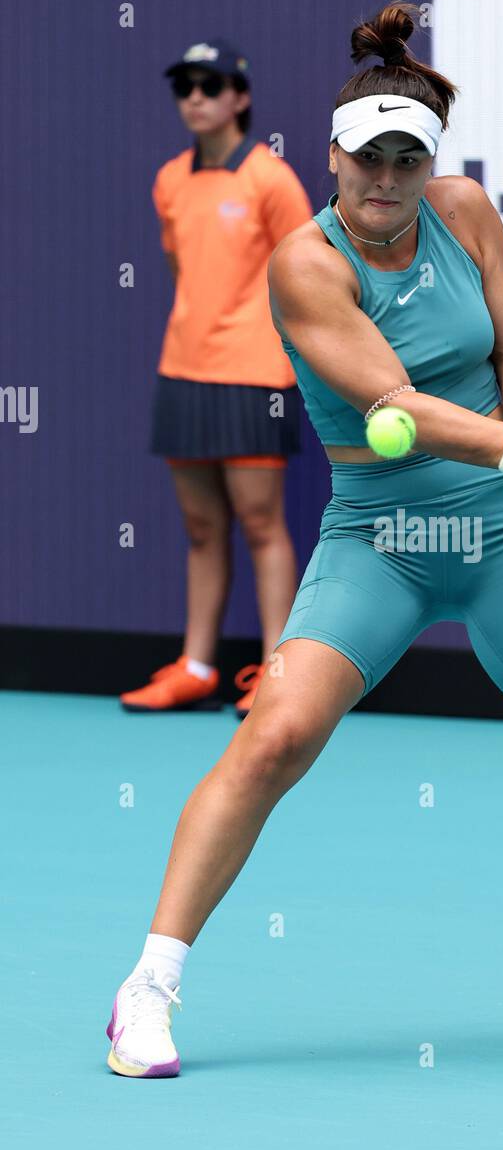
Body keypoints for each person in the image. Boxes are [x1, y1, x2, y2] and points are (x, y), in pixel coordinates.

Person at [105, 2, 503, 1078]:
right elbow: (398, 404)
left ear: (431, 164)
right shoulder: (305, 265)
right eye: (366, 157)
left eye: (405, 160)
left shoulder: (466, 214)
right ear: (329, 156)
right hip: (377, 537)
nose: (384, 180)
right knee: (274, 739)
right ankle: (148, 986)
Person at [120, 39, 312, 718]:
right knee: (202, 529)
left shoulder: (270, 179)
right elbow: (184, 273)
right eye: (184, 87)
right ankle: (197, 665)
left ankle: (278, 671)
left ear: (239, 97)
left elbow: (303, 278)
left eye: (209, 85)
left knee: (262, 525)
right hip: (183, 371)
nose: (194, 98)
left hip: (256, 376)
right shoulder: (170, 179)